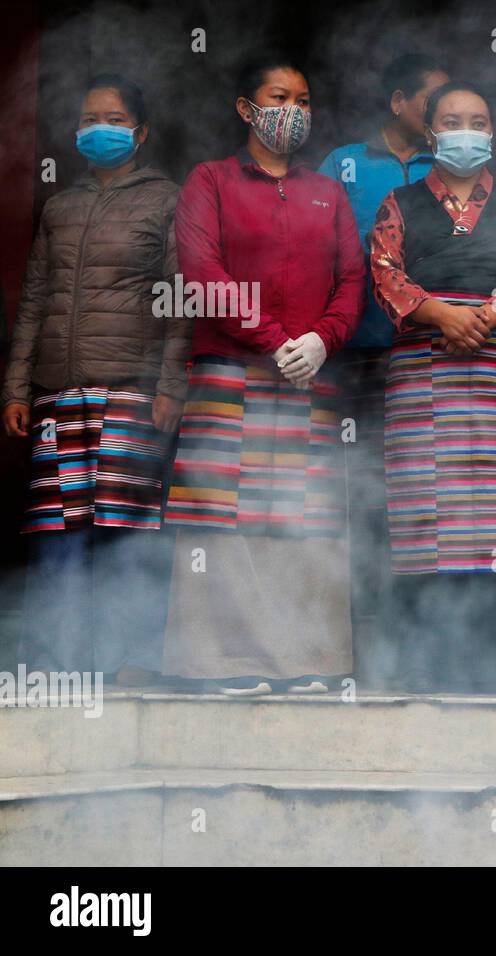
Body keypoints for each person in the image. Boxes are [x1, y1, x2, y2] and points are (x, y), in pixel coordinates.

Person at [163, 54, 365, 696]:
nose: (295, 111)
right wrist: (277, 340)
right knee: (224, 520)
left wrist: (322, 339)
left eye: (304, 100)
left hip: (308, 373)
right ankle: (226, 661)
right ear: (247, 108)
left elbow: (353, 278)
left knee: (303, 516)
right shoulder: (210, 180)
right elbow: (202, 273)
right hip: (231, 370)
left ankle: (309, 659)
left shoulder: (327, 191)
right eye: (281, 96)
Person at [369, 80, 496, 693]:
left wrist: (482, 318)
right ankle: (428, 671)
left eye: (478, 120)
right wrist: (441, 315)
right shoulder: (398, 202)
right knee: (429, 517)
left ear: (493, 130)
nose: (467, 130)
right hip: (423, 377)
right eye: (453, 119)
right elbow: (385, 272)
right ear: (432, 131)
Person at [1, 74, 185, 686]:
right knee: (57, 536)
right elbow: (33, 301)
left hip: (128, 390)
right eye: (87, 119)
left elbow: (179, 300)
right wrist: (16, 388)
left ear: (141, 131)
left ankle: (125, 667)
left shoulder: (167, 201)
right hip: (57, 396)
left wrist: (169, 387)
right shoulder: (60, 205)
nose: (96, 128)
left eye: (111, 117)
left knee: (122, 534)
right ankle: (54, 669)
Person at [317, 54, 448, 687]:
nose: (446, 118)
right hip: (355, 356)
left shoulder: (452, 166)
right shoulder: (343, 164)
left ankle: (420, 646)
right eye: (433, 103)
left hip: (428, 358)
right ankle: (359, 647)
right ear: (399, 102)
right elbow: (313, 250)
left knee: (423, 501)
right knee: (357, 498)